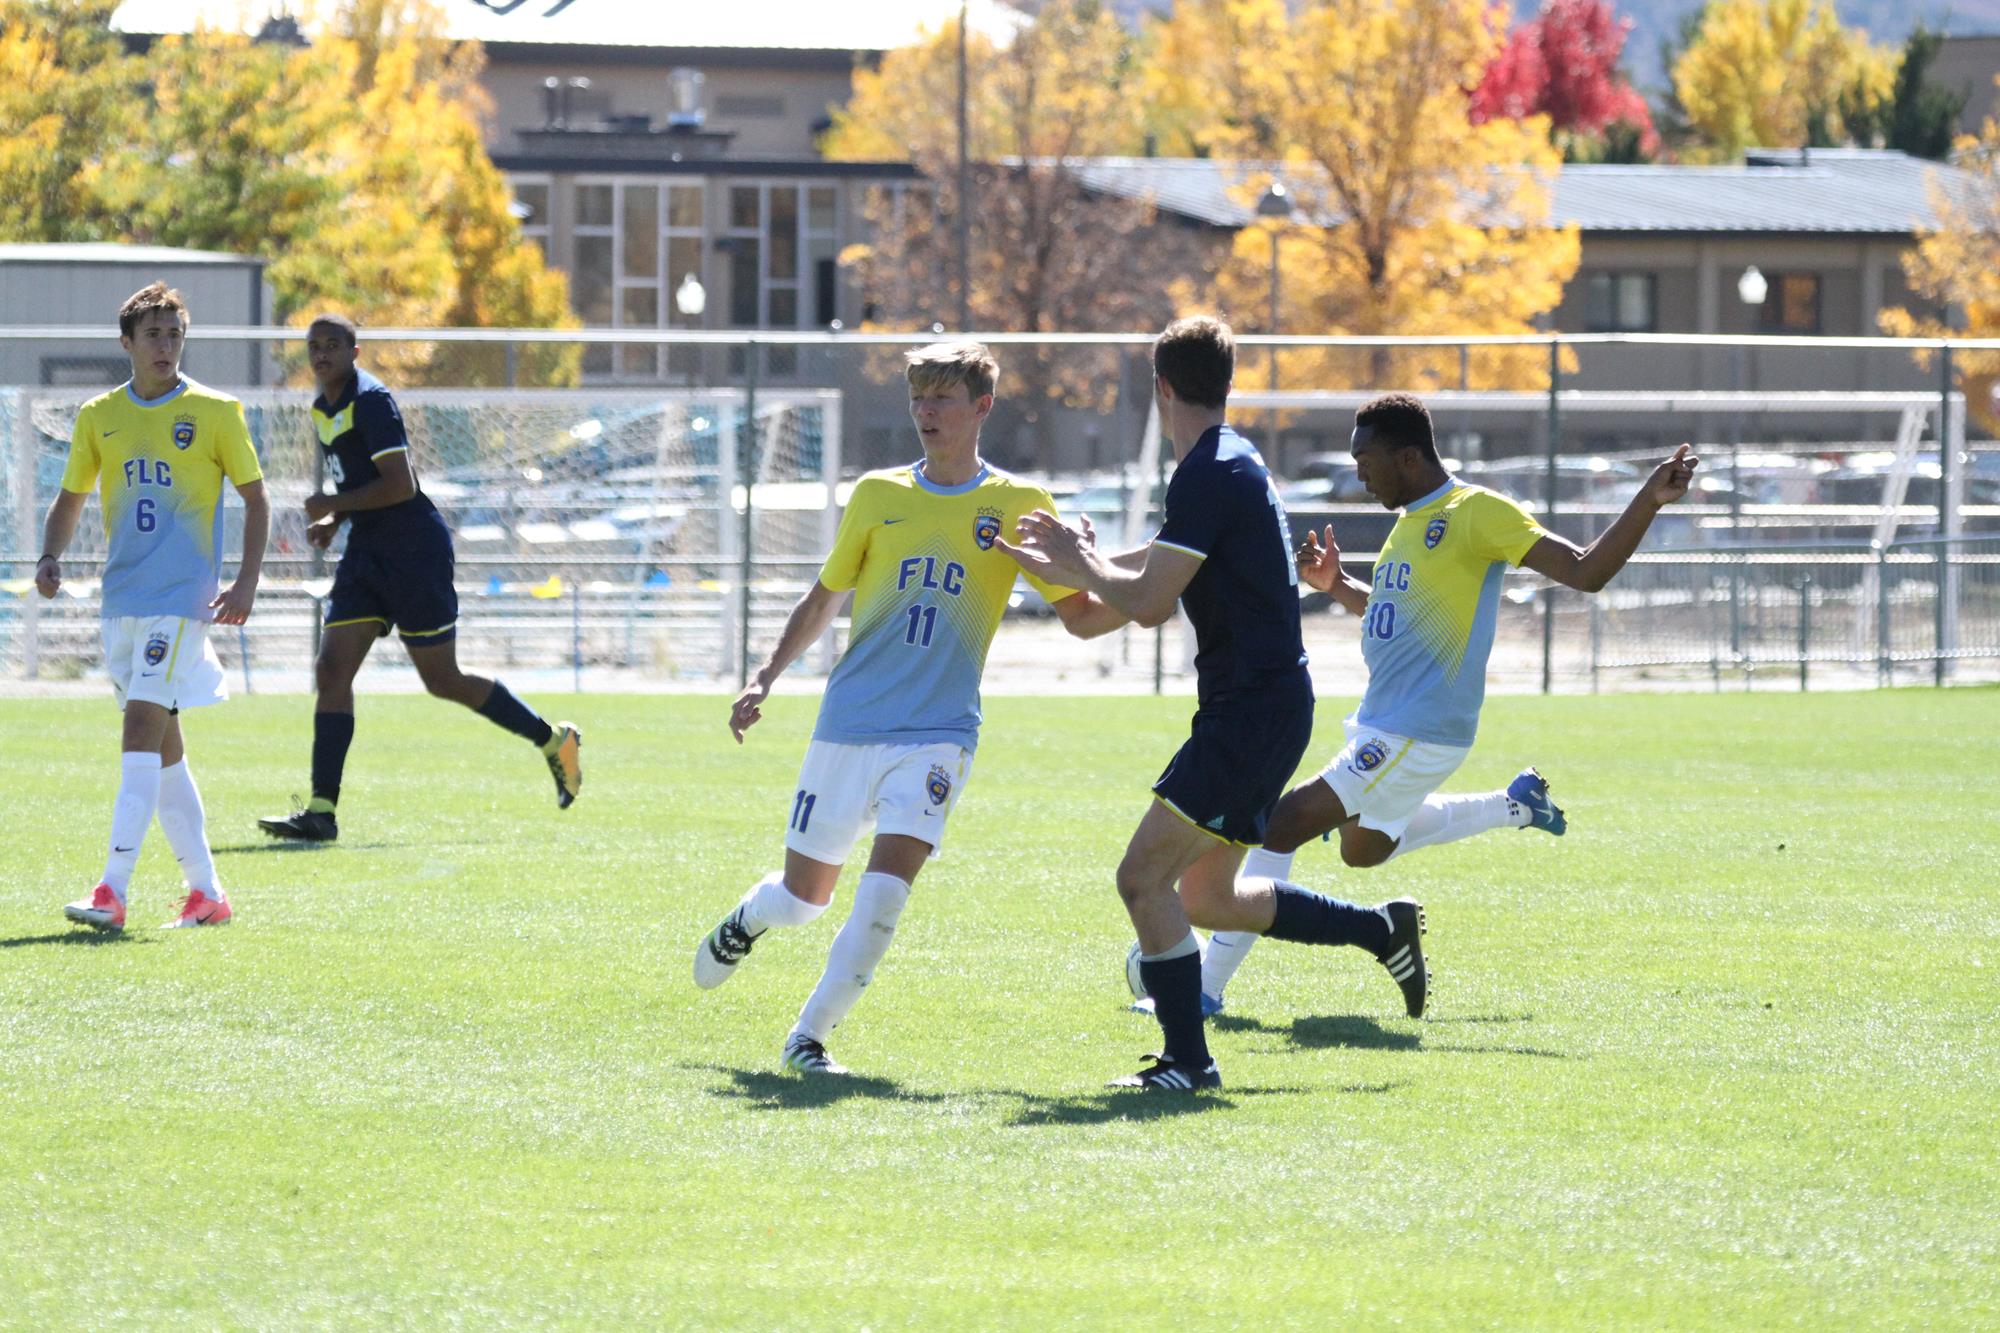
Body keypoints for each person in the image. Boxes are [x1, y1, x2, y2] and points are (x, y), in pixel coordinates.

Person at [1000, 317, 1429, 1093]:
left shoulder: (1208, 471)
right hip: (1261, 707)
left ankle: (1188, 1062)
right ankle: (1379, 929)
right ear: (1224, 383)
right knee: (1206, 894)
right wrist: (1064, 569)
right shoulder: (1231, 460)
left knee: (1142, 880)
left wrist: (1080, 561)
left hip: (1251, 713)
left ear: (1161, 387)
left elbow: (1149, 602)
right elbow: (1106, 603)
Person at [691, 339, 1126, 1076]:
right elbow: (825, 596)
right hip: (850, 723)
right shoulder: (878, 495)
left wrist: (1156, 590)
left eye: (943, 398)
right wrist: (764, 677)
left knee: (884, 897)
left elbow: (1081, 616)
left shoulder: (1020, 507)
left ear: (982, 408)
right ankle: (752, 915)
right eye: (918, 397)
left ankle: (808, 1038)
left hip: (938, 734)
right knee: (805, 899)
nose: (926, 411)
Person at [1197, 392, 1699, 1013]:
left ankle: (1203, 990)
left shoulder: (1475, 511)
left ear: (1408, 458)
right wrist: (1339, 586)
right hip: (1388, 723)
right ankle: (1513, 806)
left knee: (1282, 824)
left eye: (1365, 459)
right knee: (1363, 849)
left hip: (1419, 728)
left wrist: (1648, 499)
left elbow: (1586, 570)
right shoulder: (1407, 521)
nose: (1357, 472)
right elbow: (1397, 615)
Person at [256, 315, 580, 843]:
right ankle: (321, 811)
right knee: (332, 668)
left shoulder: (372, 401)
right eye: (313, 346)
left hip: (414, 551)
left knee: (442, 679)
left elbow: (401, 484)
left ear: (354, 351)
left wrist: (335, 504)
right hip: (367, 554)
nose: (320, 354)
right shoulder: (322, 410)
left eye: (332, 345)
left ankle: (554, 739)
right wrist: (334, 521)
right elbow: (360, 483)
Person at [40, 281, 270, 931]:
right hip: (123, 599)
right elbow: (71, 497)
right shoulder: (98, 415)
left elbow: (256, 499)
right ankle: (207, 894)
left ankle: (111, 890)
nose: (166, 346)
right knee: (164, 750)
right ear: (127, 344)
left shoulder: (217, 411)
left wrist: (246, 582)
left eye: (174, 334)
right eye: (153, 335)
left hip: (181, 600)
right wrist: (49, 556)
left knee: (140, 728)